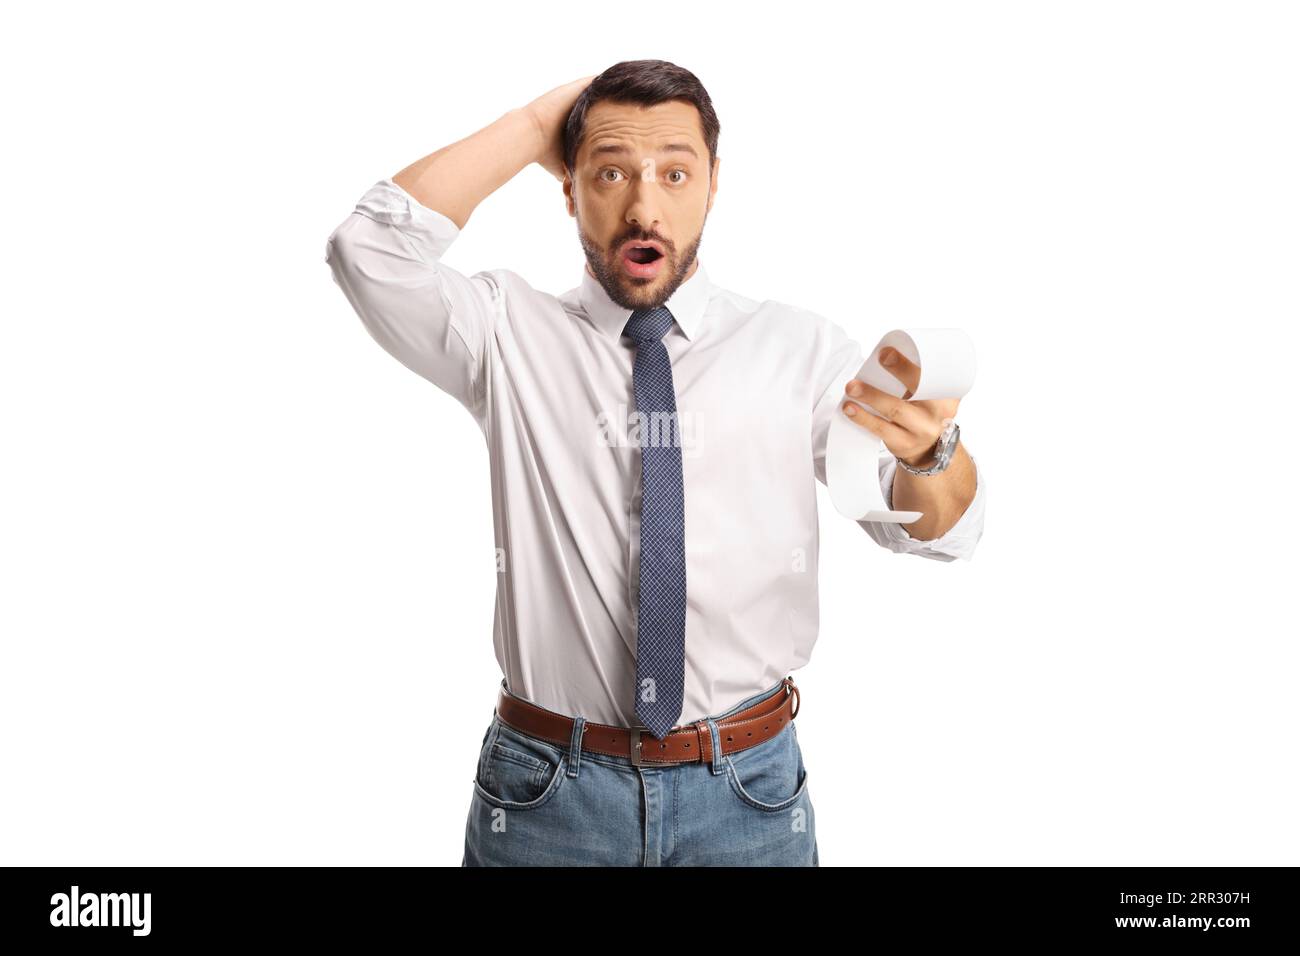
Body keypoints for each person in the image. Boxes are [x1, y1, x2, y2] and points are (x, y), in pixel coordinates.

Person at [324, 59, 985, 866]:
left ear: (713, 185)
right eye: (609, 173)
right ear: (568, 190)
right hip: (544, 797)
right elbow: (367, 250)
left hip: (748, 792)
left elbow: (934, 531)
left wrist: (933, 453)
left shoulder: (798, 349)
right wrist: (536, 126)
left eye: (676, 173)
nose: (644, 206)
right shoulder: (502, 332)